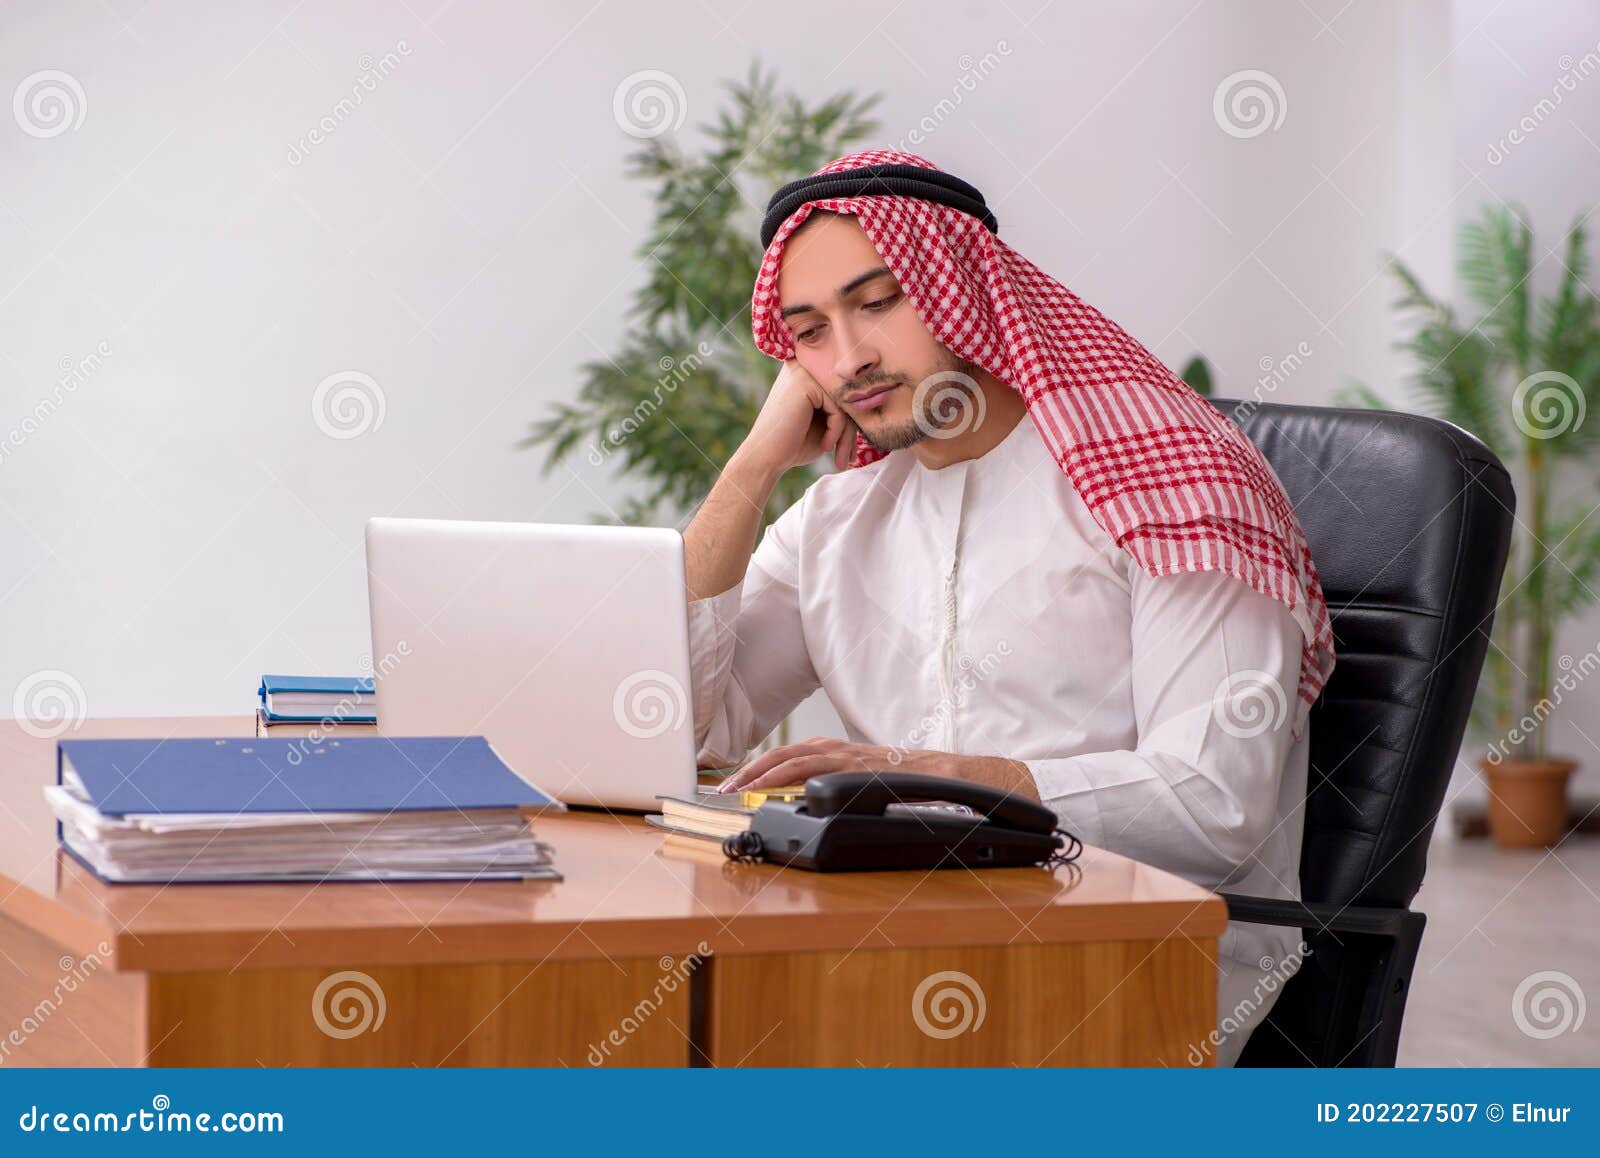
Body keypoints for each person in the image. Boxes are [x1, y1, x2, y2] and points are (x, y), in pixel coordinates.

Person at [681, 149, 1335, 1067]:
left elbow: (1211, 809)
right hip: (893, 936)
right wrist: (750, 470)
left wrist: (920, 776)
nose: (851, 357)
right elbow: (687, 727)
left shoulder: (1172, 484)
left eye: (879, 303)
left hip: (1135, 959)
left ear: (968, 292)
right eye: (810, 333)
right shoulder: (836, 519)